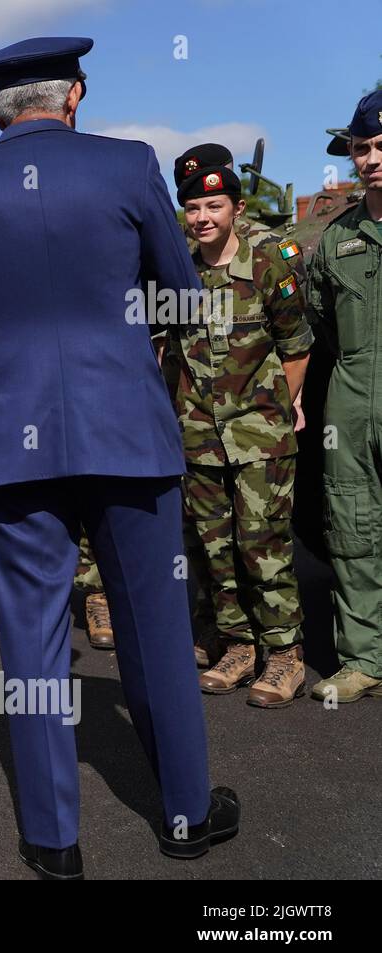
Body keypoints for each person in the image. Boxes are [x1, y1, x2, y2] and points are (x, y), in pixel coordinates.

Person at [0, 36, 239, 879]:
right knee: (158, 629)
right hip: (127, 430)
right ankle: (186, 814)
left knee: (32, 639)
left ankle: (55, 842)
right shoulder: (130, 167)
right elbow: (180, 293)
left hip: (12, 443)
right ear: (76, 97)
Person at [165, 164, 312, 708]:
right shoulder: (177, 270)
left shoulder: (269, 263)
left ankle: (285, 655)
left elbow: (295, 344)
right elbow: (167, 348)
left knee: (264, 546)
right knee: (215, 549)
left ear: (237, 210)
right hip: (198, 437)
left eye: (214, 206)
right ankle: (237, 646)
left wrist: (281, 407)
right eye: (194, 208)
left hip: (260, 439)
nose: (202, 218)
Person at [305, 90, 382, 704]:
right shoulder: (336, 242)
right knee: (353, 530)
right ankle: (363, 659)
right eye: (362, 148)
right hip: (352, 404)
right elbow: (319, 330)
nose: (373, 158)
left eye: (381, 145)